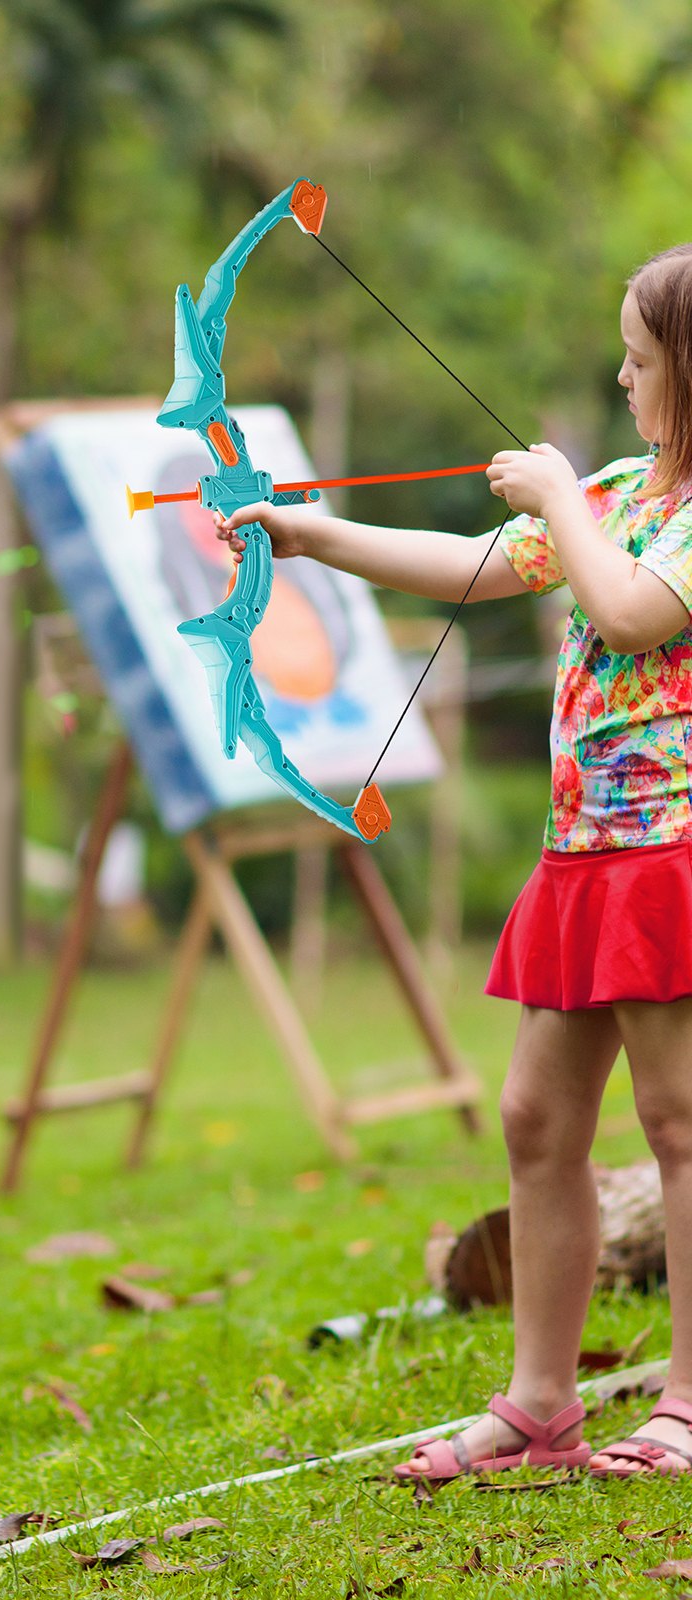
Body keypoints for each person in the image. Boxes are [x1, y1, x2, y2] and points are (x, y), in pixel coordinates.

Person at [215, 245, 692, 1480]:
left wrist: (561, 500)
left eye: (638, 361)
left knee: (677, 1122)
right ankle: (540, 1405)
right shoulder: (620, 491)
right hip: (584, 853)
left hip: (671, 855)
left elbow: (631, 611)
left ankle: (687, 1405)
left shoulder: (658, 514)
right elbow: (476, 567)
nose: (621, 379)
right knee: (536, 1117)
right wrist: (311, 536)